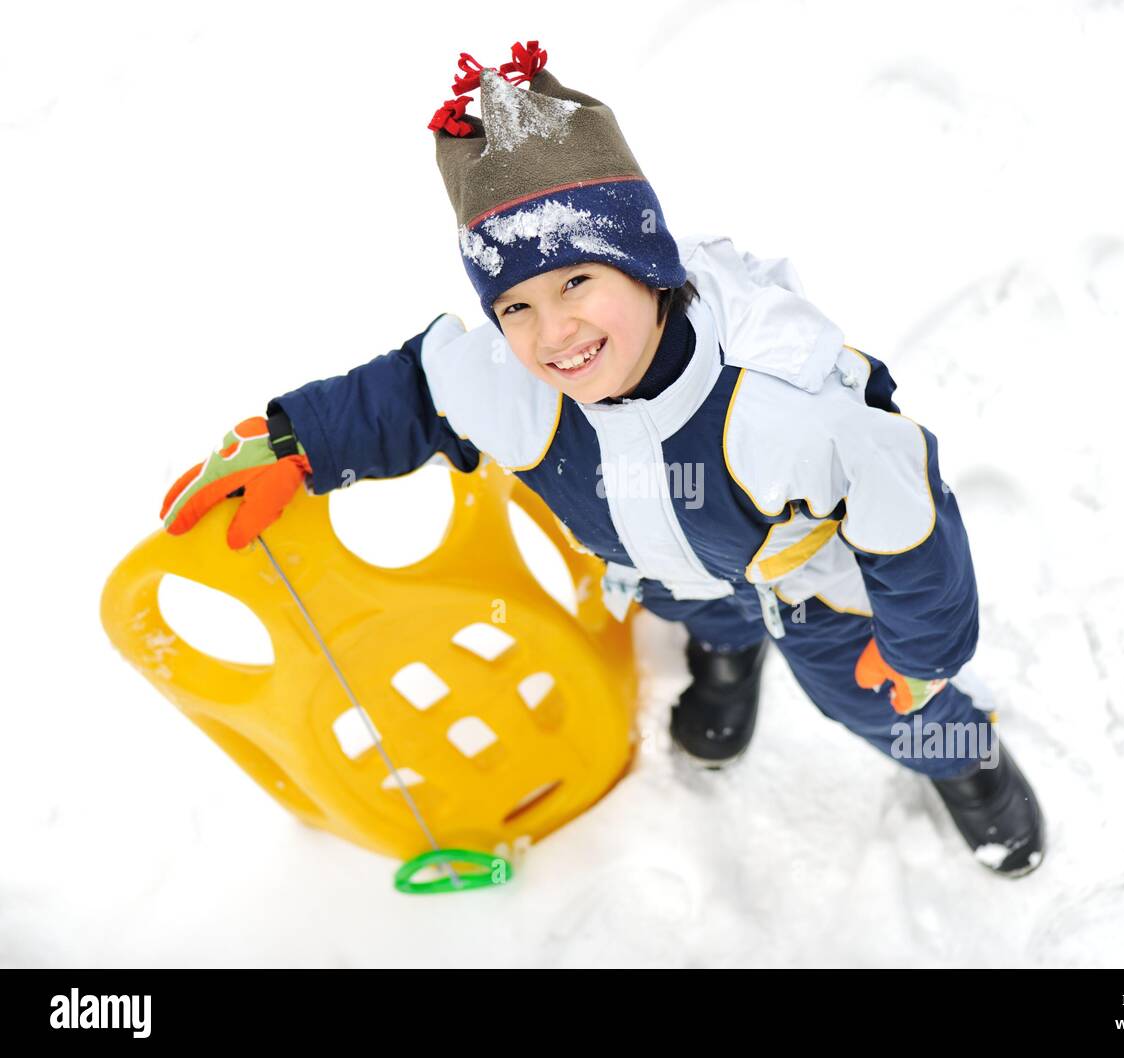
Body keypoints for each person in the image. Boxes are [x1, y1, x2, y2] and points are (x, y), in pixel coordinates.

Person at [160, 41, 1044, 877]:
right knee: (707, 611)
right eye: (516, 306)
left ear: (646, 267)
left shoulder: (783, 409)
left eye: (577, 282)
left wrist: (920, 654)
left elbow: (907, 511)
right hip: (670, 567)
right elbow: (413, 394)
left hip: (812, 582)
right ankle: (728, 664)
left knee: (884, 704)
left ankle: (966, 762)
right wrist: (297, 440)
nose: (554, 333)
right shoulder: (513, 385)